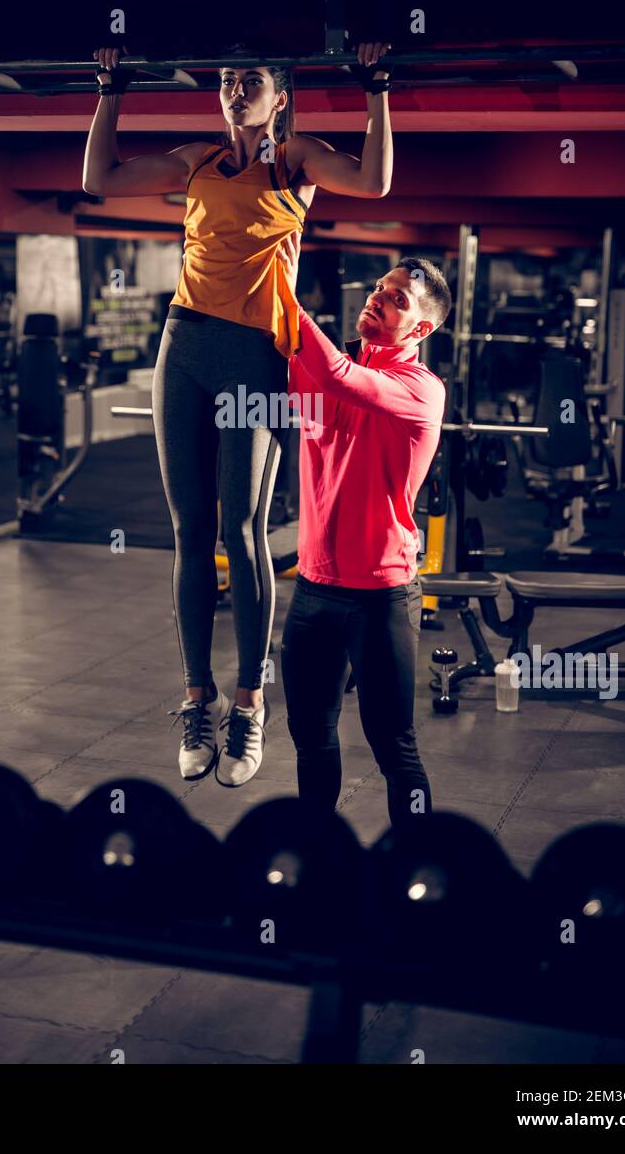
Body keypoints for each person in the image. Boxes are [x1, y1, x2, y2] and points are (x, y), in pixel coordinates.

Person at [83, 41, 393, 785]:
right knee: (190, 531)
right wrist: (112, 89)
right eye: (226, 81)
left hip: (257, 354)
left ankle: (249, 705)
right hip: (182, 345)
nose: (233, 91)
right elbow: (97, 178)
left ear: (278, 96)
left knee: (242, 530)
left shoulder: (295, 161)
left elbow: (375, 182)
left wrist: (375, 88)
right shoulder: (195, 159)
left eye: (249, 81)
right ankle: (197, 698)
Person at [276, 248, 450, 837]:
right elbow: (303, 369)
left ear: (422, 328)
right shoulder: (341, 367)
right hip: (314, 589)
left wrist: (281, 285)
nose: (377, 297)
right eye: (379, 286)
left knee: (394, 747)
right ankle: (314, 853)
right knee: (310, 734)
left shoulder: (422, 389)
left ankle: (417, 863)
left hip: (381, 595)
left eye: (397, 298)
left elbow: (339, 376)